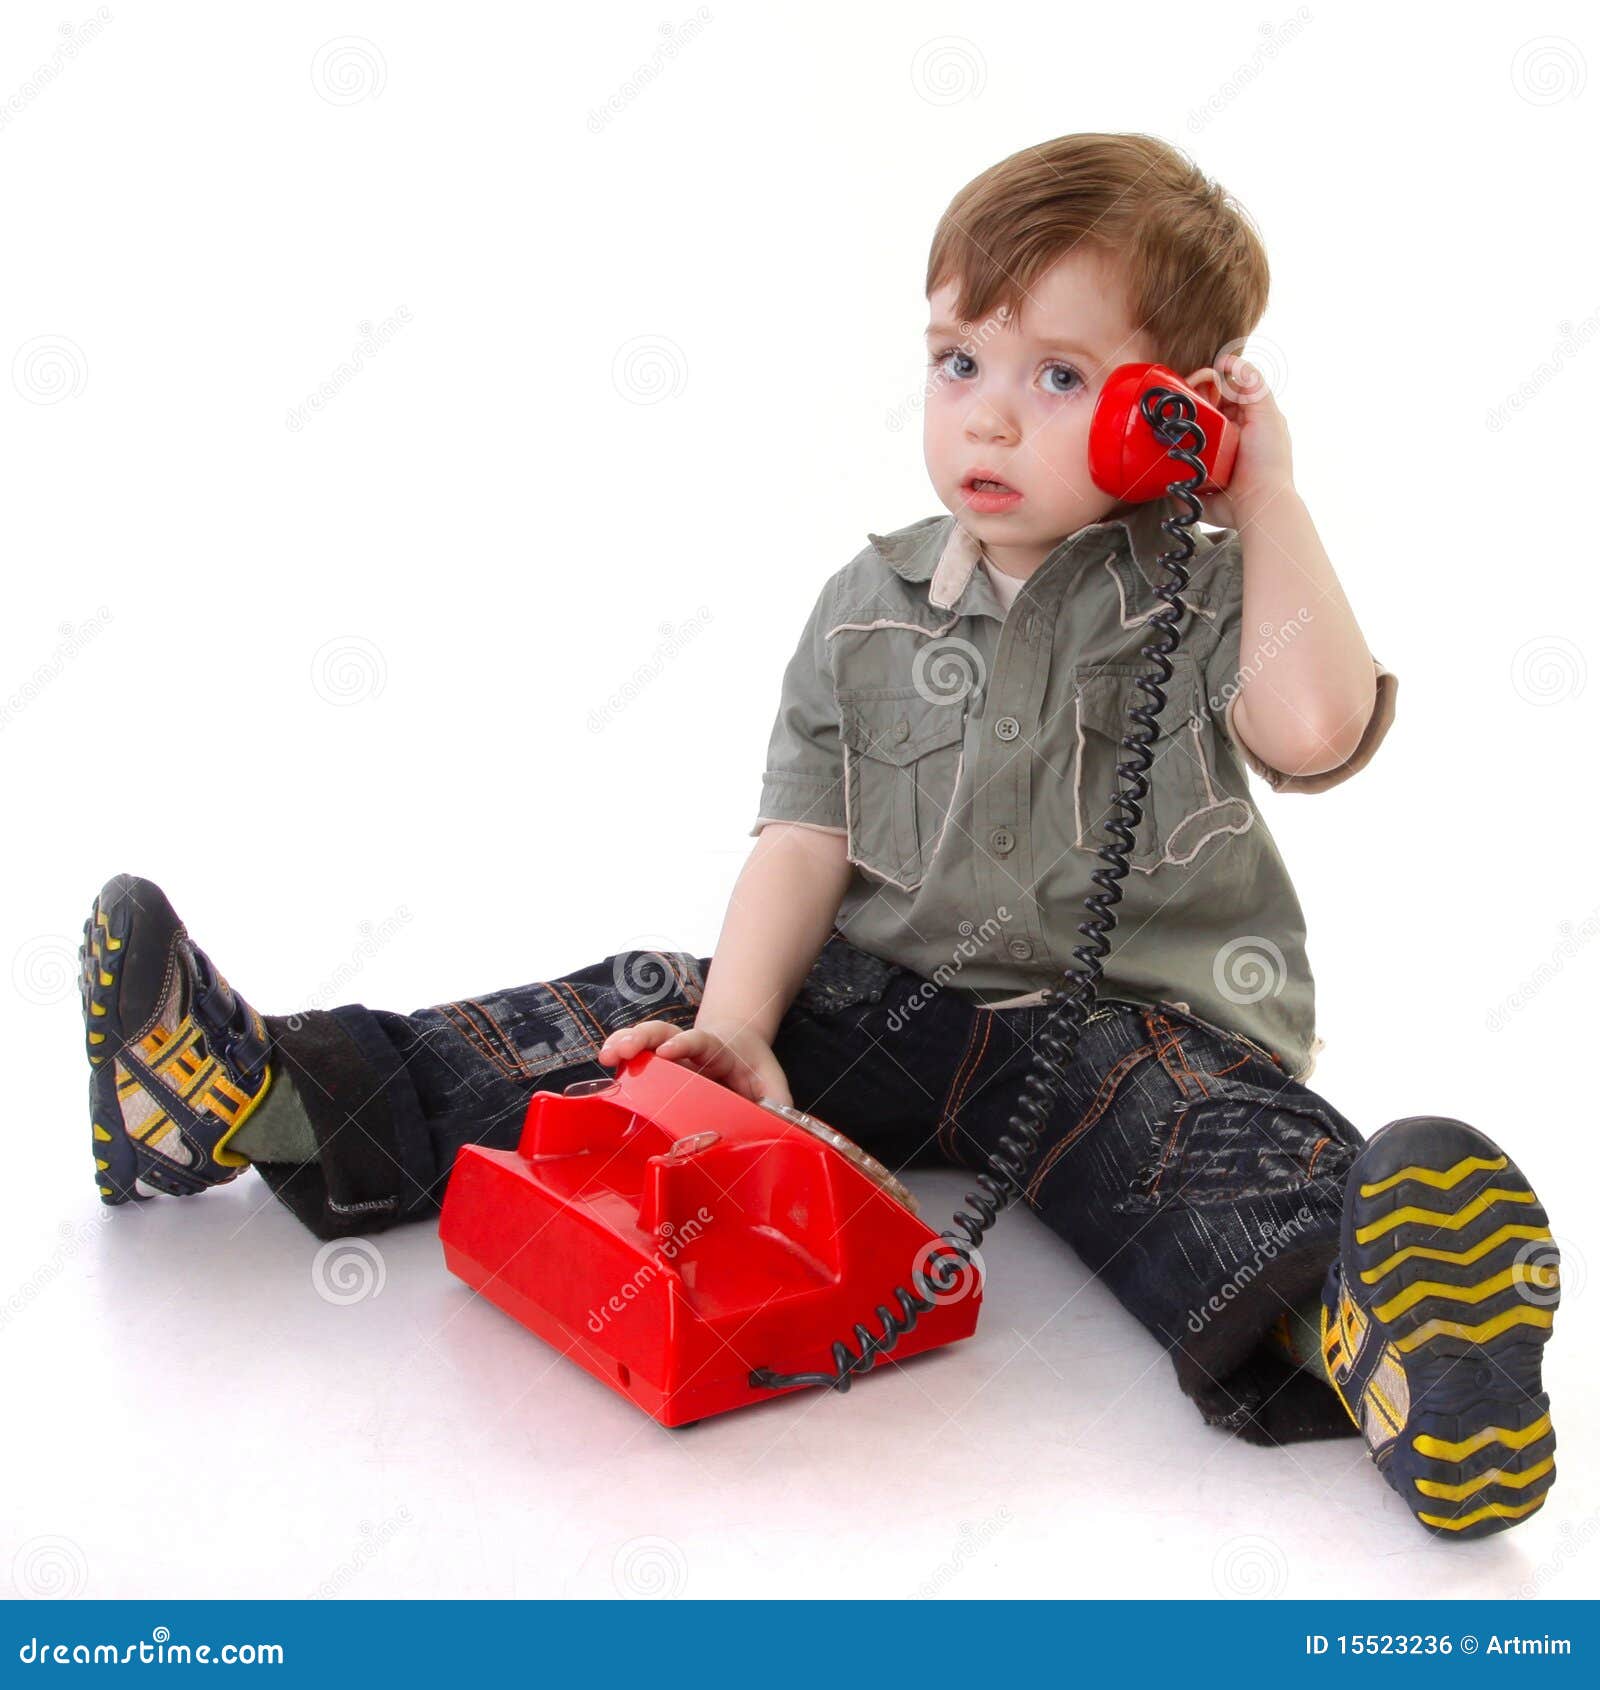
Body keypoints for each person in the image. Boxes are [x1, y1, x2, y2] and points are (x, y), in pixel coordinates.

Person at [74, 133, 1559, 1540]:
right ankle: (258, 1097)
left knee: (1213, 1151)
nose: (984, 411)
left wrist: (1267, 490)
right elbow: (799, 842)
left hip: (1129, 1030)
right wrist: (735, 1025)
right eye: (958, 359)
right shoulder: (867, 606)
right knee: (638, 1006)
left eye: (1058, 375)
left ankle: (1375, 1338)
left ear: (1165, 412)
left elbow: (1311, 724)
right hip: (887, 1004)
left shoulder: (1210, 587)